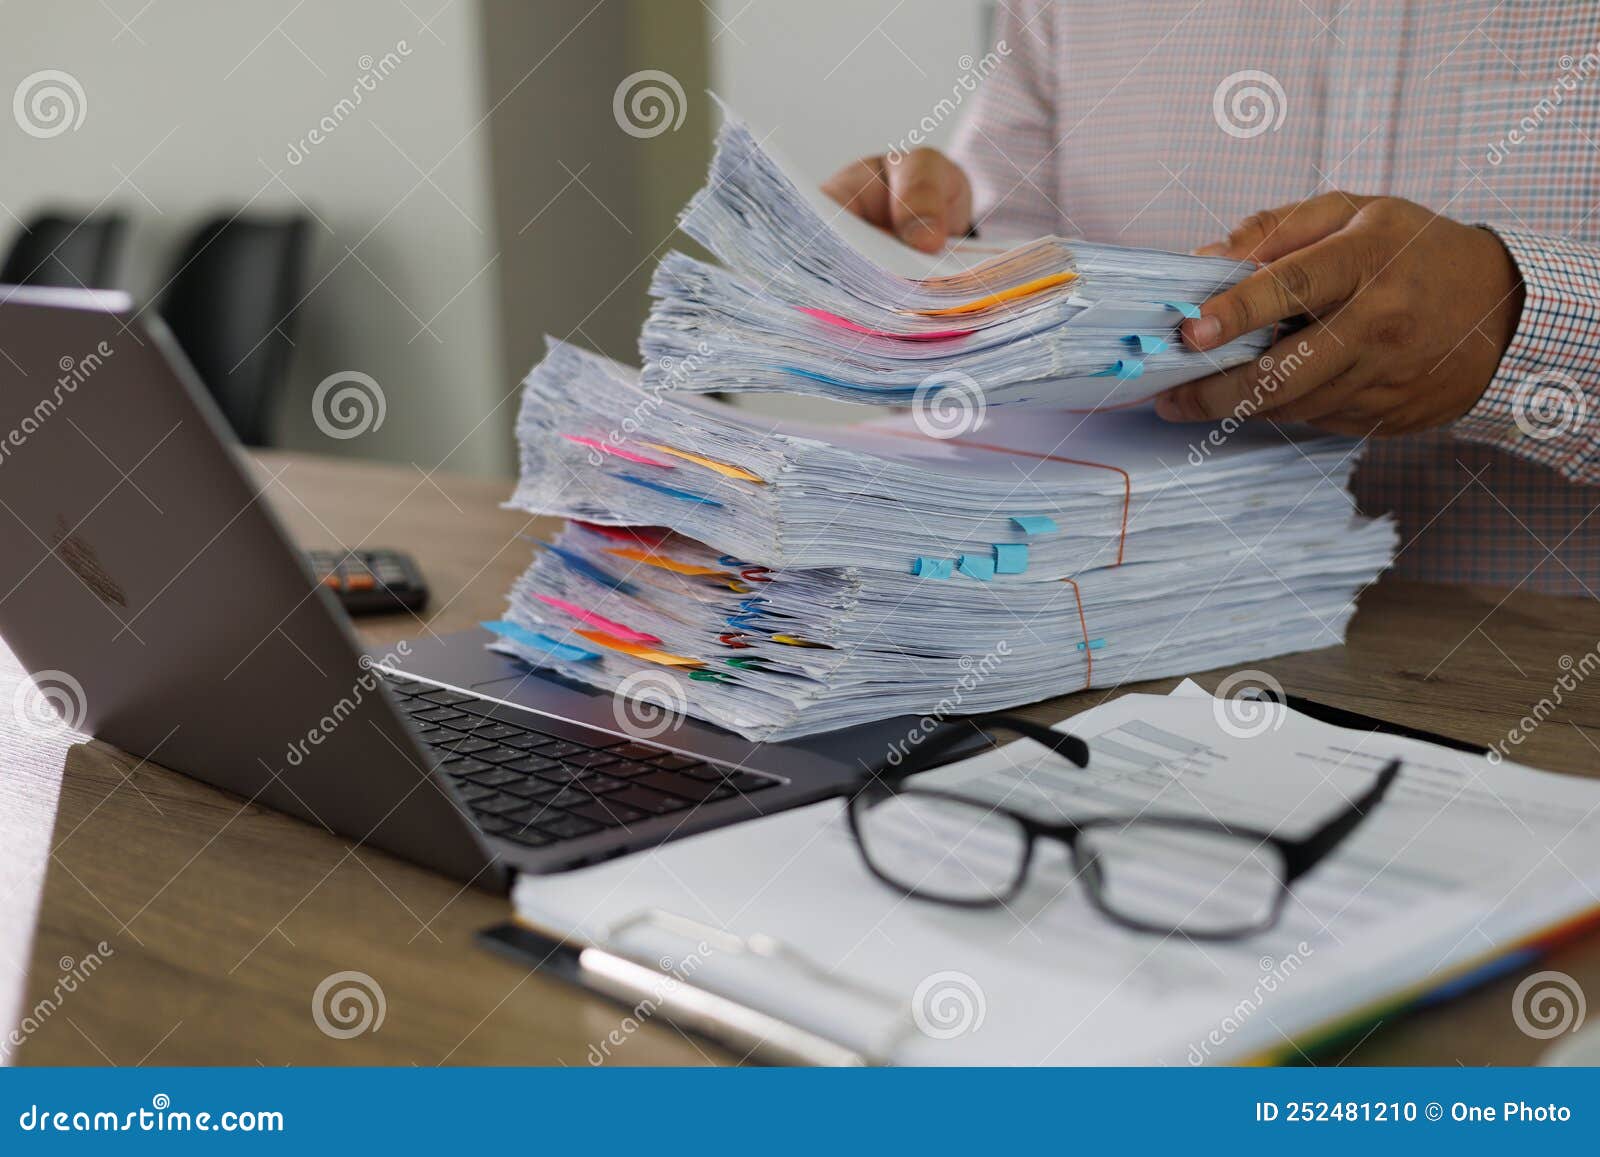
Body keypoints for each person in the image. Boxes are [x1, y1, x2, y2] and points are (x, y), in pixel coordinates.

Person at [823, 2, 1600, 595]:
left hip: (1534, 680)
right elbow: (1016, 240)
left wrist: (1518, 320)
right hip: (1113, 647)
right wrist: (934, 256)